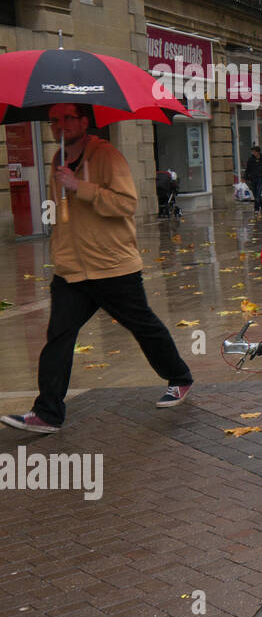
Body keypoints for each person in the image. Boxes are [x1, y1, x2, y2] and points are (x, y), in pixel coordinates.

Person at [2, 104, 195, 434]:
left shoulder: (107, 156)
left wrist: (80, 187)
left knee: (143, 326)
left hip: (113, 266)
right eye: (54, 121)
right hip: (72, 271)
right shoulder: (56, 161)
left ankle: (180, 378)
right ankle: (48, 412)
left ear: (84, 121)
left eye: (67, 119)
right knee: (58, 337)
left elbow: (127, 204)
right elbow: (63, 215)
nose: (60, 126)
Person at [244, 145, 262, 214]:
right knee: (255, 194)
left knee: (258, 193)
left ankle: (256, 208)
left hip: (260, 178)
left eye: (254, 152)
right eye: (252, 152)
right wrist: (245, 177)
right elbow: (247, 169)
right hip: (252, 179)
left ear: (258, 152)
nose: (253, 153)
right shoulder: (250, 160)